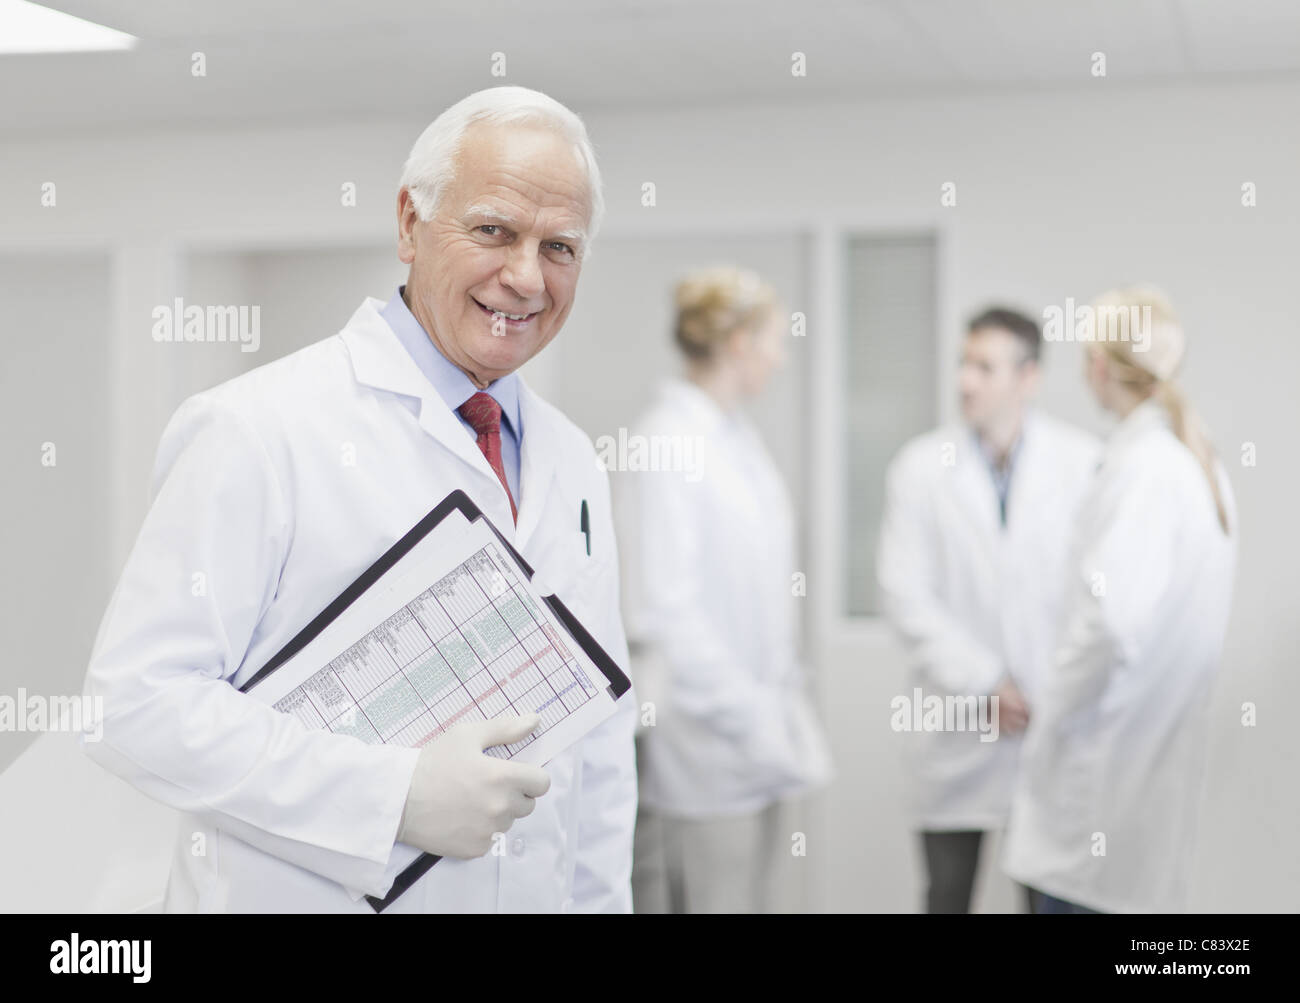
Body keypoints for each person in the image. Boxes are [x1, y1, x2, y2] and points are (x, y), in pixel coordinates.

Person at [78, 86, 638, 913]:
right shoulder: (259, 429)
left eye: (560, 247)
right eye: (493, 230)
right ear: (410, 224)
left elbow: (598, 752)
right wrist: (393, 794)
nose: (525, 276)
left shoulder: (572, 461)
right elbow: (134, 704)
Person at [1002, 286, 1237, 914]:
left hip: (1098, 789)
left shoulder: (1147, 470)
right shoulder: (1191, 460)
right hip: (1132, 786)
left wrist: (1052, 711)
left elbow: (1108, 623)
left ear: (1100, 367)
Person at [615, 266, 832, 913]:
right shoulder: (663, 443)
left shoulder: (733, 439)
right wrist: (750, 714)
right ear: (739, 342)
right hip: (703, 740)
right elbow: (662, 610)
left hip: (754, 738)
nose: (781, 355)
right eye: (774, 337)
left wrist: (772, 715)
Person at [877, 306, 1099, 913]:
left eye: (985, 367)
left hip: (1048, 719)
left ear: (1028, 377)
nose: (966, 381)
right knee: (947, 897)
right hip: (957, 724)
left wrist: (1047, 687)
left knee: (1051, 897)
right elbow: (904, 594)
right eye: (963, 364)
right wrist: (985, 681)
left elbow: (1095, 597)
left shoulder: (1082, 465)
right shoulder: (920, 468)